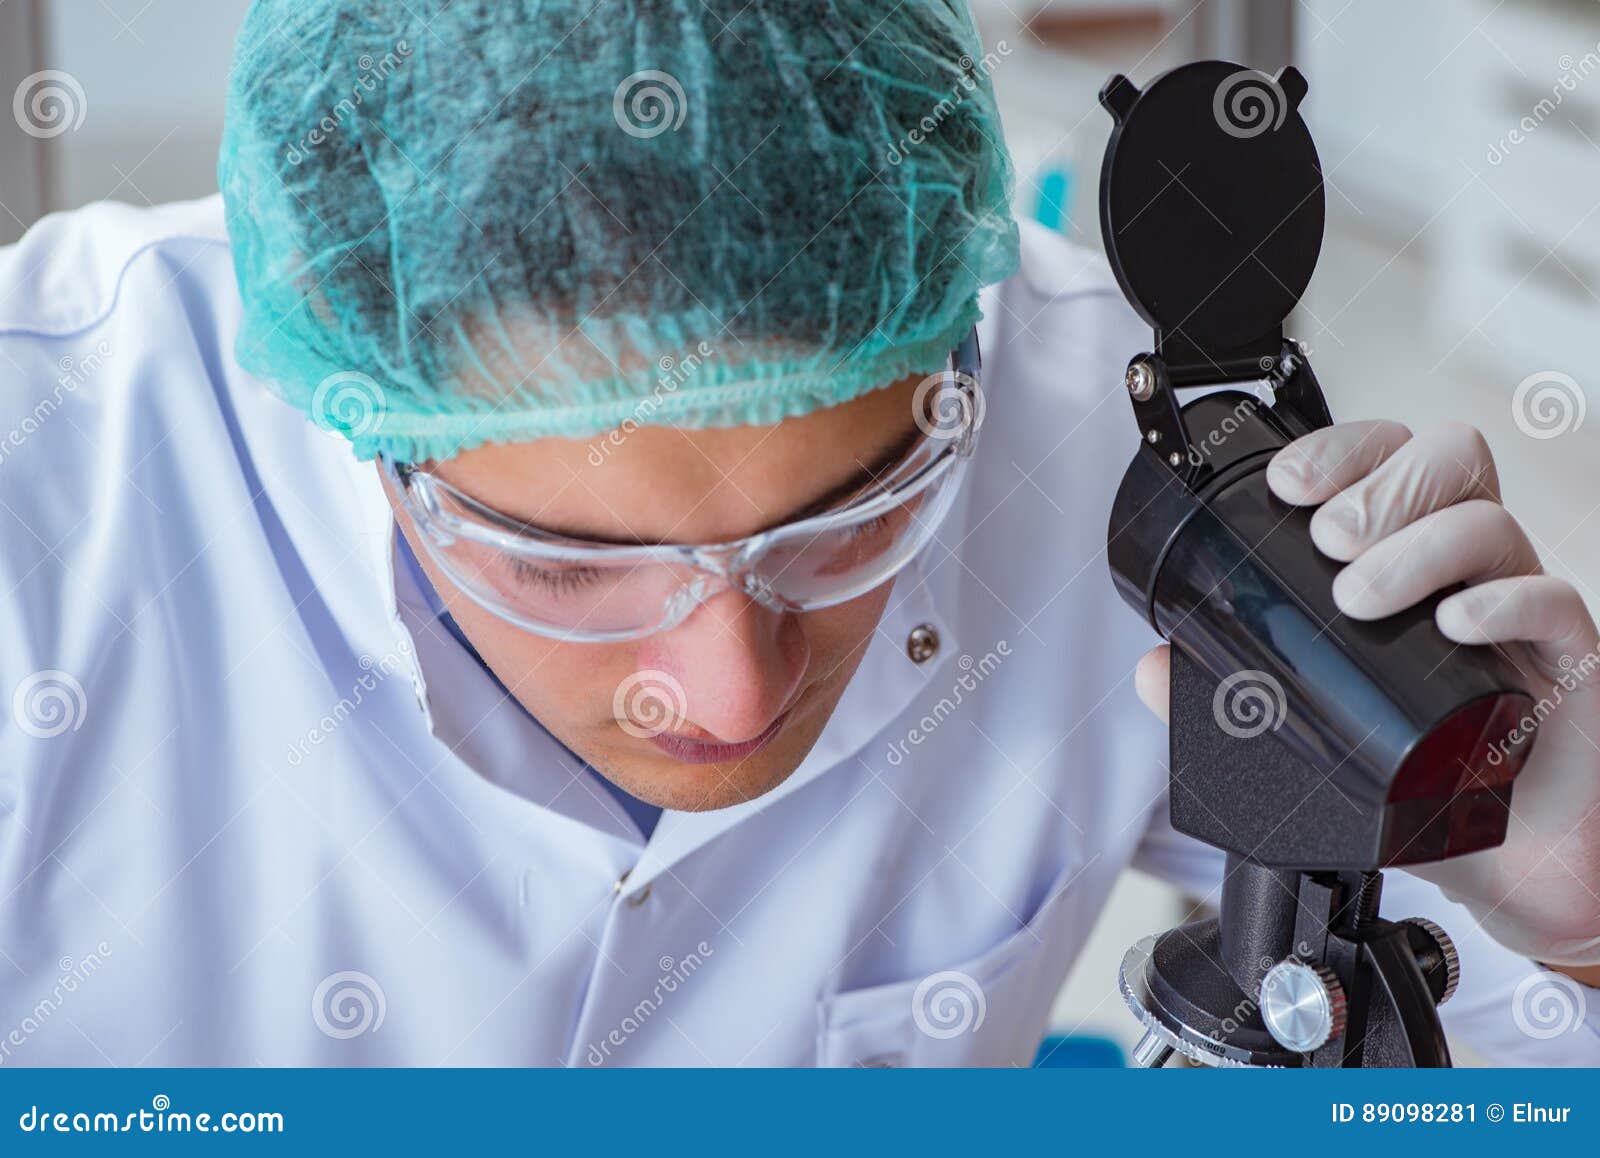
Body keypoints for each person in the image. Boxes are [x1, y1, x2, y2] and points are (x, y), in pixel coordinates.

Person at [0, 0, 1595, 1066]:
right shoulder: (51, 506)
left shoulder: (1100, 430)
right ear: (363, 417)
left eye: (852, 518)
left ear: (946, 353)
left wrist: (1578, 913)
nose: (730, 691)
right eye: (566, 564)